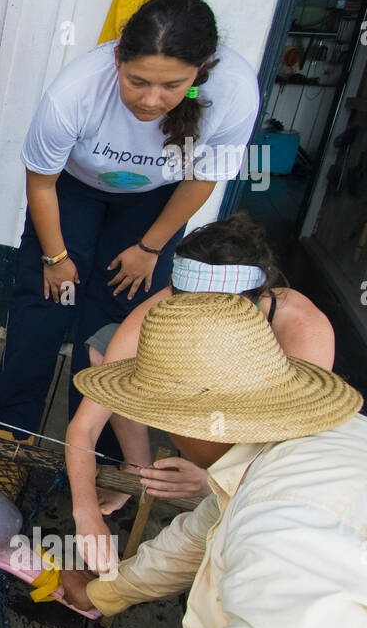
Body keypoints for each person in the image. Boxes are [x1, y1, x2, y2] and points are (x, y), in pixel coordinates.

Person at [61, 292, 367, 628]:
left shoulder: (286, 529)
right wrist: (102, 592)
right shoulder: (311, 439)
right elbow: (196, 535)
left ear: (187, 422)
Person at [0, 0, 260, 447]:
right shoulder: (74, 91)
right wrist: (55, 256)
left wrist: (150, 249)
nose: (151, 99)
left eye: (172, 86)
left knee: (119, 316)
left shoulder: (235, 90)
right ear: (117, 59)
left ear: (201, 69)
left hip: (155, 200)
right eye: (138, 81)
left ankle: (98, 447)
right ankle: (5, 428)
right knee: (46, 301)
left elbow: (203, 178)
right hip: (70, 190)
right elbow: (41, 184)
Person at [65, 213, 335, 571]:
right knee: (107, 355)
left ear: (258, 298)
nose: (200, 320)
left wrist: (214, 481)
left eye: (216, 312)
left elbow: (293, 451)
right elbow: (85, 426)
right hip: (190, 403)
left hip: (252, 435)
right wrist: (85, 514)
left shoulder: (302, 328)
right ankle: (136, 467)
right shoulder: (161, 305)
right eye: (189, 309)